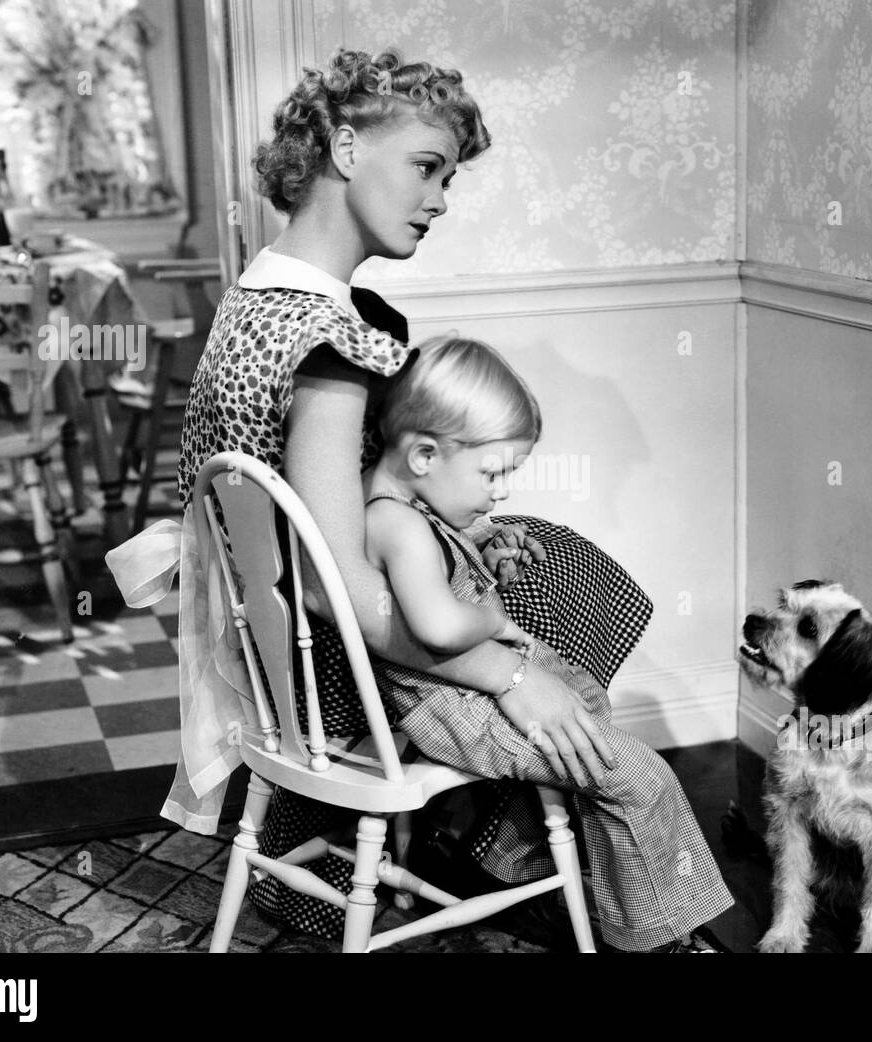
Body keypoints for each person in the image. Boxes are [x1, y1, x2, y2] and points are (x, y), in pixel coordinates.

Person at [172, 47, 730, 948]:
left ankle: (502, 823)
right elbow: (334, 593)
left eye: (450, 177)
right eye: (425, 167)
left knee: (525, 541)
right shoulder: (329, 343)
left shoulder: (253, 301)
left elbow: (337, 523)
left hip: (273, 656)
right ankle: (496, 830)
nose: (439, 199)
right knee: (573, 578)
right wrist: (516, 675)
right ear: (345, 148)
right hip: (330, 677)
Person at [361, 335, 732, 950]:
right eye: (491, 473)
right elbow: (439, 628)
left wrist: (476, 543)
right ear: (424, 454)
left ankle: (513, 862)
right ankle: (663, 939)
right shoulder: (397, 524)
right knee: (640, 778)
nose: (501, 490)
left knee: (589, 731)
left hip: (462, 700)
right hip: (458, 709)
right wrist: (494, 619)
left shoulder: (399, 509)